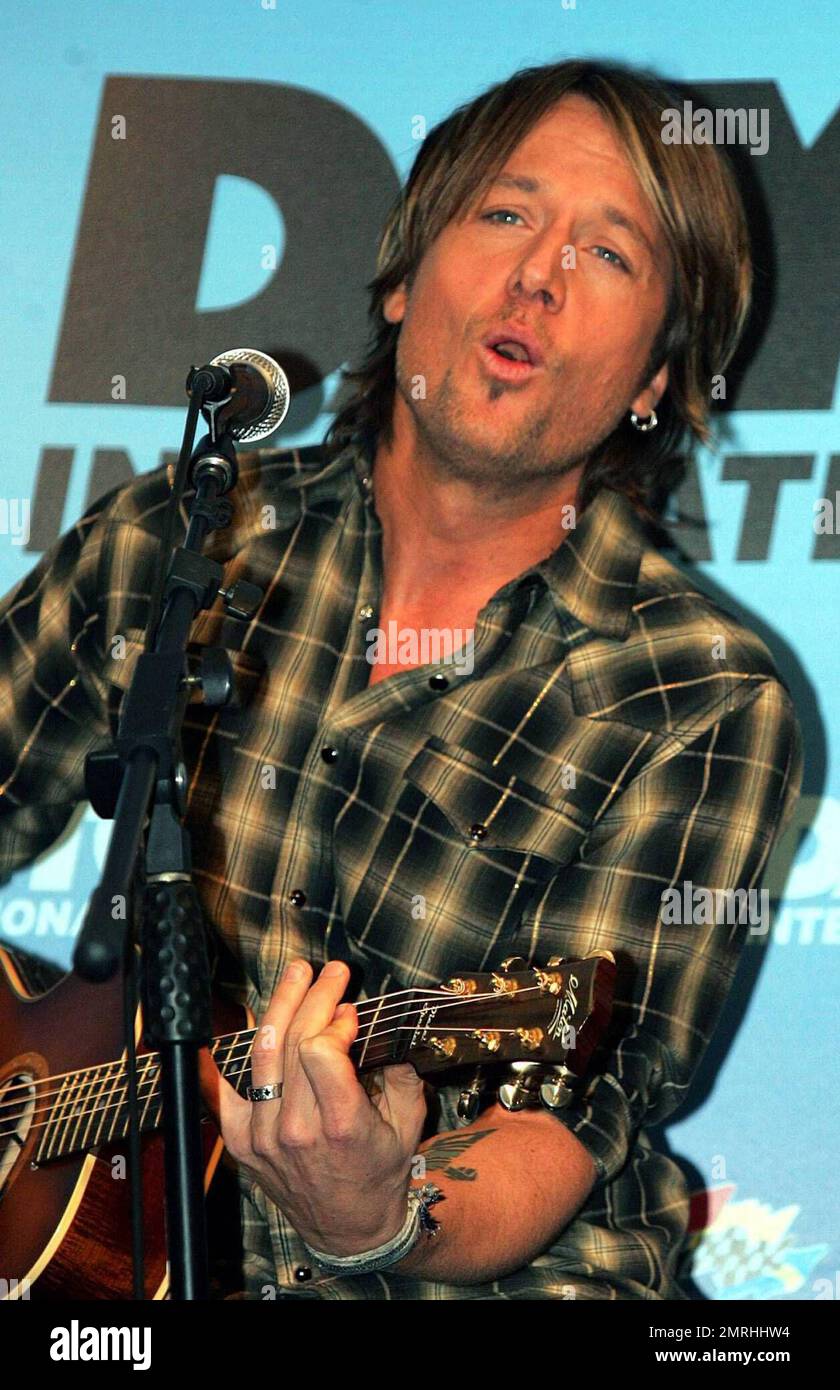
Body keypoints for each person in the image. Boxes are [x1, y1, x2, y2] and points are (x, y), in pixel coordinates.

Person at [0, 58, 802, 1301]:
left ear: (655, 380)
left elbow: (563, 1126)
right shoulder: (180, 543)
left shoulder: (698, 694)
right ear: (399, 274)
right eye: (505, 214)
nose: (539, 272)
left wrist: (380, 1209)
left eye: (611, 254)